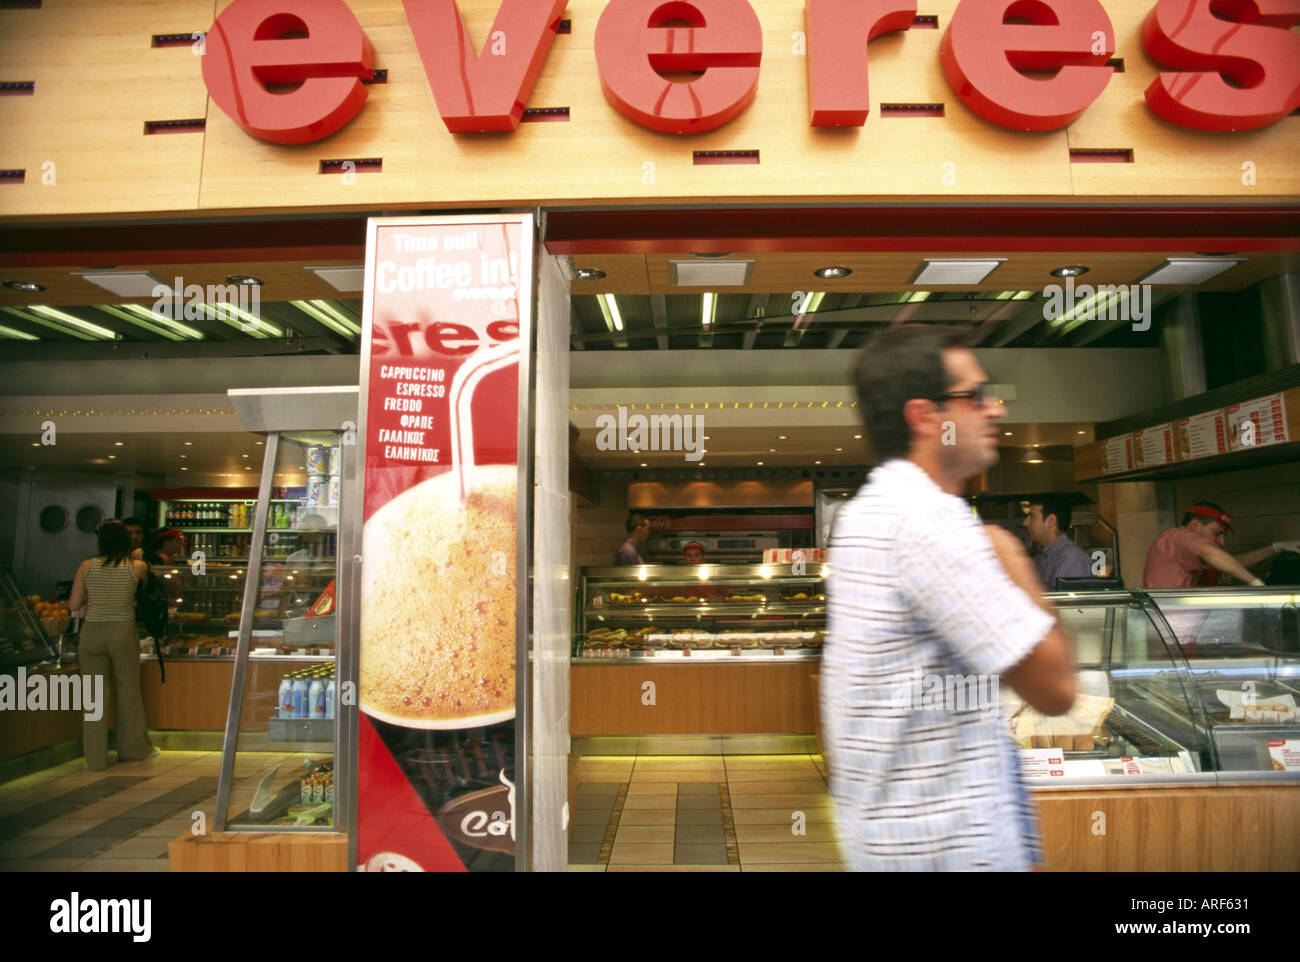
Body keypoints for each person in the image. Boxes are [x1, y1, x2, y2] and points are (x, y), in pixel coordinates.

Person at [822, 327, 1076, 872]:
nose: (996, 409)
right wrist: (1010, 557)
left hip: (889, 840)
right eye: (976, 396)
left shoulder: (868, 510)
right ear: (925, 417)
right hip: (951, 849)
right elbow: (1056, 689)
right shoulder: (930, 520)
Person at [67, 520, 155, 770]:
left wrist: (91, 599)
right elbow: (147, 594)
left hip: (92, 632)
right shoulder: (137, 567)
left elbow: (73, 605)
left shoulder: (86, 566)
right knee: (128, 691)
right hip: (122, 631)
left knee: (93, 696)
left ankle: (95, 759)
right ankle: (134, 750)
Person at [1142, 502, 1300, 588]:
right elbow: (1209, 552)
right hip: (1172, 624)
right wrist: (1255, 582)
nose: (1222, 542)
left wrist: (1275, 547)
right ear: (1195, 525)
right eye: (1217, 533)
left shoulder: (1188, 551)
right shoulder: (1178, 537)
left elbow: (1233, 564)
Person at [1023, 495, 1094, 588]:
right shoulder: (1039, 558)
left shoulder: (1072, 559)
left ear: (1051, 521)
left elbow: (1064, 602)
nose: (1025, 523)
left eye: (1032, 517)